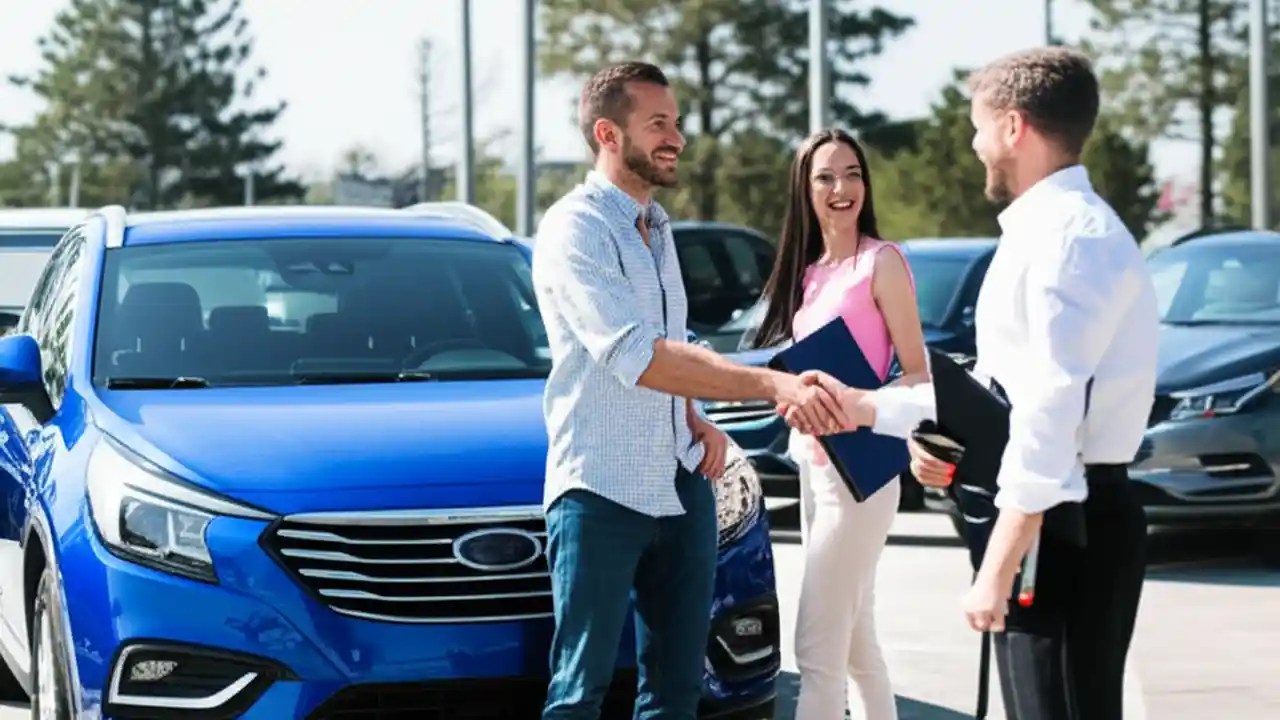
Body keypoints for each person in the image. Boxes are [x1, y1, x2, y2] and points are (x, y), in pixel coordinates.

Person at [788, 46, 1159, 720]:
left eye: (979, 125)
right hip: (1050, 524)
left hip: (1064, 529)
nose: (973, 141)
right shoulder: (1039, 235)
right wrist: (892, 419)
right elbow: (992, 395)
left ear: (1014, 127)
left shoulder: (1069, 242)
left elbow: (1047, 428)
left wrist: (997, 571)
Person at [531, 61, 848, 720]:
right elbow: (635, 355)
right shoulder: (576, 228)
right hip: (599, 487)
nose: (676, 137)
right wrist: (771, 384)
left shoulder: (660, 225)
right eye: (657, 124)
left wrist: (695, 416)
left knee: (677, 690)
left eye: (676, 122)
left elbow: (669, 339)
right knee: (577, 693)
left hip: (680, 480)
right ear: (608, 134)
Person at [752, 128, 927, 720]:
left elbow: (920, 380)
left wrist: (856, 399)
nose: (841, 187)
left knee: (816, 649)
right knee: (854, 644)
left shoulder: (882, 262)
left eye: (852, 173)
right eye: (825, 176)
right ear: (804, 188)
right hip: (814, 463)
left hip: (863, 473)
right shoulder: (811, 273)